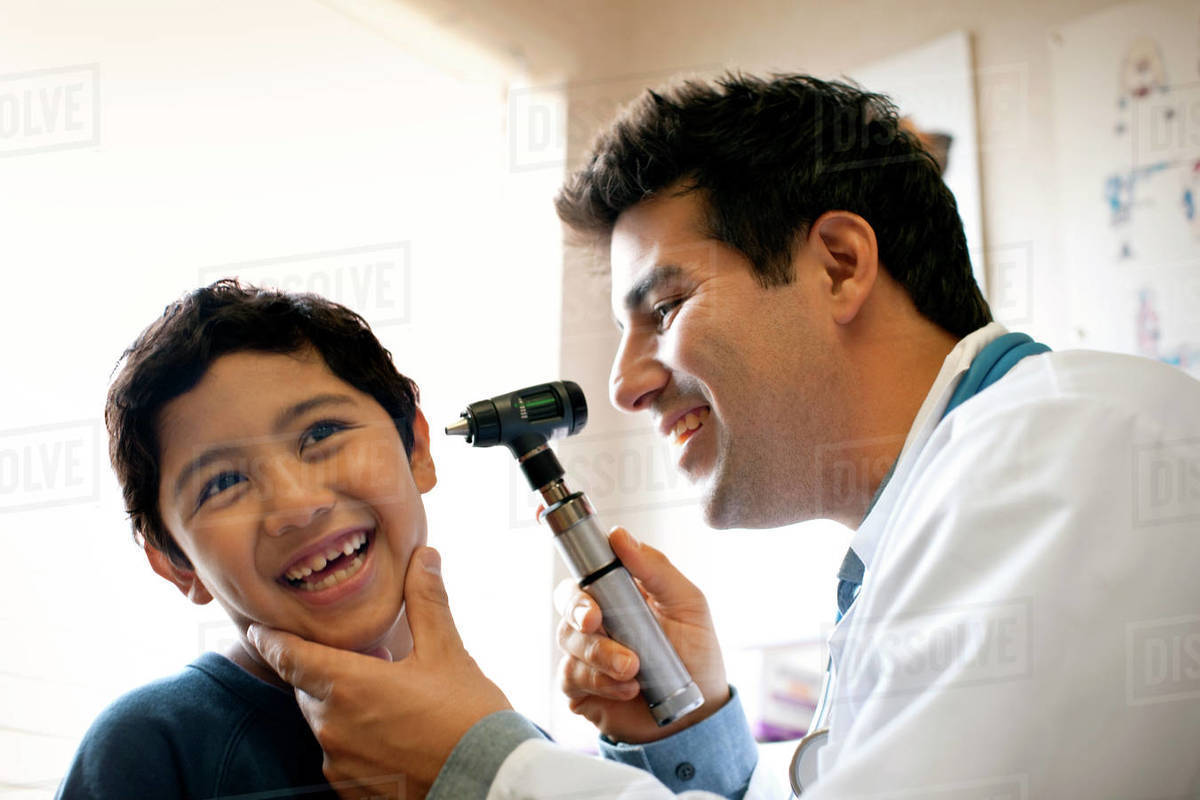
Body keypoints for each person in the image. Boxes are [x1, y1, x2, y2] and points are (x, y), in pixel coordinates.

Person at [250, 74, 1200, 799]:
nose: (624, 385)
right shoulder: (956, 502)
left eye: (664, 307)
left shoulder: (1075, 452)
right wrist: (693, 733)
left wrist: (485, 769)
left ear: (839, 265)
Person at [55, 280, 511, 799]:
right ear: (178, 564)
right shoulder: (149, 752)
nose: (296, 506)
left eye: (322, 433)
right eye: (223, 483)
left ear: (418, 450)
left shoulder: (507, 745)